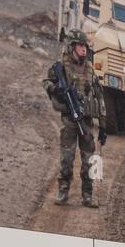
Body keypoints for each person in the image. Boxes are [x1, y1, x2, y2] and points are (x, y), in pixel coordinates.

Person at [41, 31, 107, 208]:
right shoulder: (61, 67)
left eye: (85, 46)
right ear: (71, 47)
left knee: (90, 160)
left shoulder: (90, 69)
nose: (83, 49)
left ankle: (88, 194)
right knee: (67, 159)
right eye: (80, 46)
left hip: (86, 122)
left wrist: (104, 124)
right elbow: (46, 82)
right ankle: (63, 190)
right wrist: (55, 90)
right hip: (70, 120)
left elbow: (99, 95)